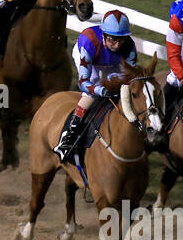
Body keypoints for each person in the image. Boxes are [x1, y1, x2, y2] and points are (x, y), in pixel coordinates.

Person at [54, 10, 139, 162]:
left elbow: (131, 80)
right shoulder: (90, 41)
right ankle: (68, 136)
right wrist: (100, 89)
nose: (117, 44)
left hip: (113, 64)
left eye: (121, 39)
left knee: (122, 89)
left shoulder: (129, 47)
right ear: (104, 35)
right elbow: (83, 83)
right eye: (113, 40)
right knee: (93, 88)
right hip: (89, 58)